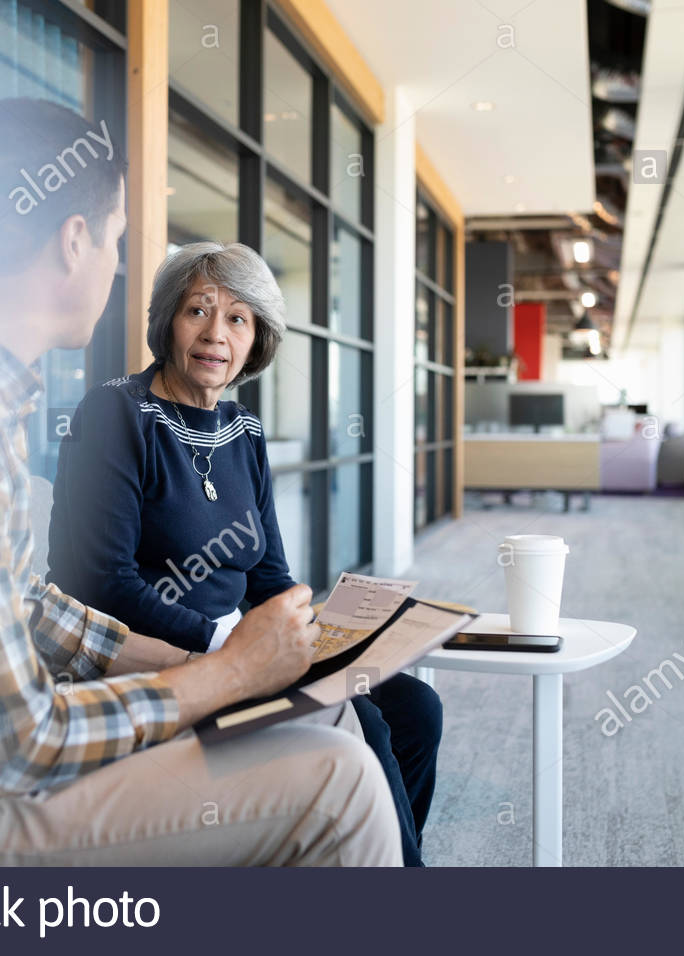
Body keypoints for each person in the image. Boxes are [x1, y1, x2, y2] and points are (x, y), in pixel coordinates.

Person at [0, 98, 401, 866]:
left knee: (326, 722)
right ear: (73, 241)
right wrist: (227, 671)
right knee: (339, 780)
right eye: (118, 240)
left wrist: (194, 667)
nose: (118, 265)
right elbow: (24, 746)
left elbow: (16, 598)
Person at [46, 241, 443, 866]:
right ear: (166, 321)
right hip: (160, 655)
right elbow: (104, 581)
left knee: (417, 706)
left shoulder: (244, 432)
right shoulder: (117, 413)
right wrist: (229, 646)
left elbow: (269, 574)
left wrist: (331, 636)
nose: (215, 334)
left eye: (238, 318)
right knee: (362, 718)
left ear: (257, 338)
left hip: (241, 641)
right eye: (198, 310)